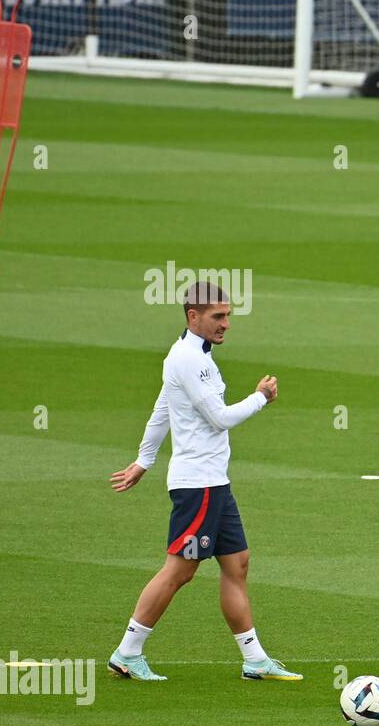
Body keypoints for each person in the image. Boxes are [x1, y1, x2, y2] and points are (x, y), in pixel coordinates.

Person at [107, 282, 301, 682]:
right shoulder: (189, 361)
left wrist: (144, 460)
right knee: (179, 571)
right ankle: (127, 652)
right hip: (200, 488)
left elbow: (162, 410)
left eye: (228, 315)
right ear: (193, 316)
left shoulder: (191, 356)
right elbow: (221, 418)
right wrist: (261, 397)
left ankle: (254, 660)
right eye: (218, 316)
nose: (226, 324)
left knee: (238, 564)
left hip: (215, 484)